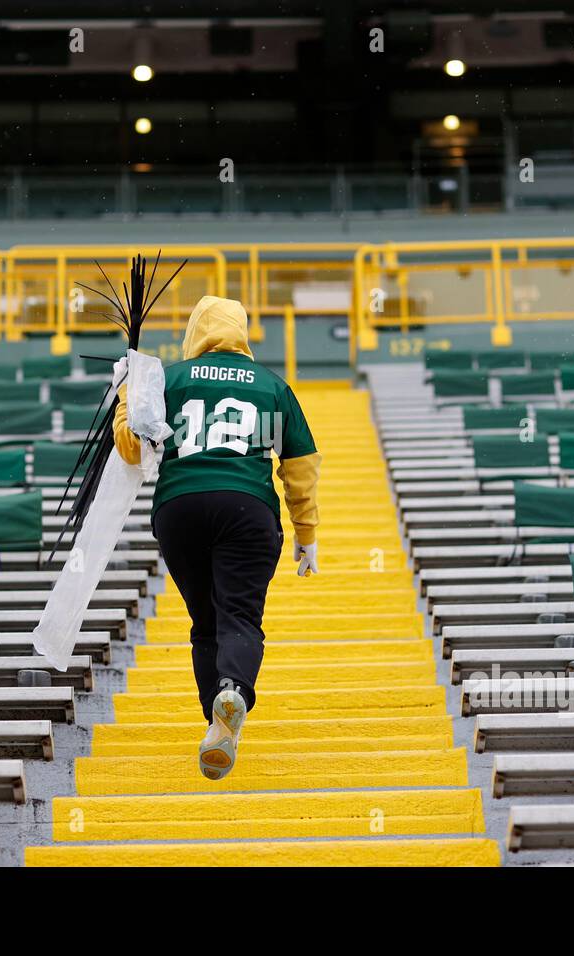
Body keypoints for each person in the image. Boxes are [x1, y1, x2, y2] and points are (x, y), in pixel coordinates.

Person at [113, 295, 320, 780]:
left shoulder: (171, 380)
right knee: (240, 617)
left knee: (205, 623)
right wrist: (306, 533)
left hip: (179, 507)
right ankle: (233, 692)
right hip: (246, 505)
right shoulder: (272, 386)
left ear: (195, 332)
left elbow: (130, 449)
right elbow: (300, 467)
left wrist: (125, 395)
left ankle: (216, 719)